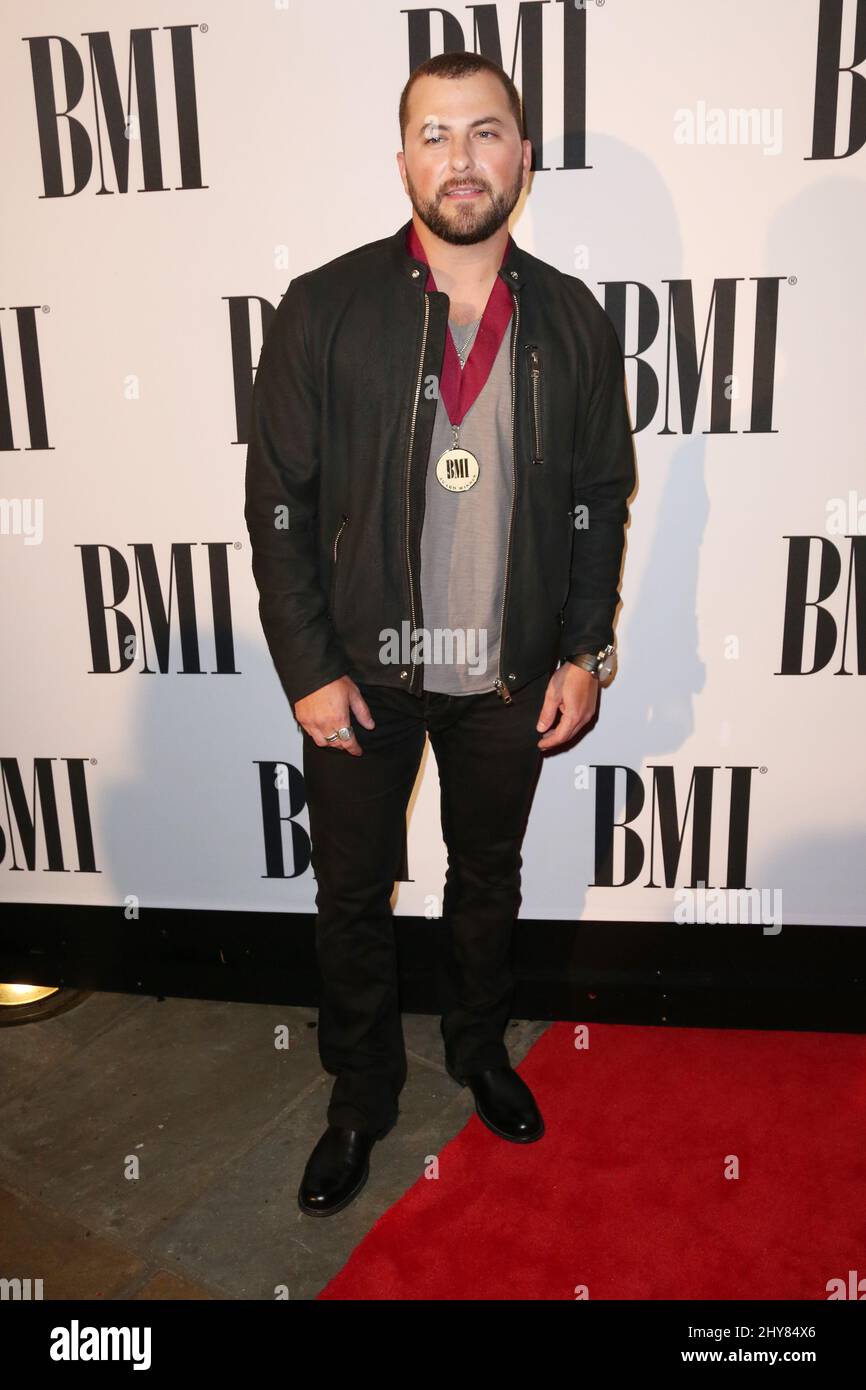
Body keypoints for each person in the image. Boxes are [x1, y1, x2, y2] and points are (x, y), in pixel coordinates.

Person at [244, 52, 636, 1217]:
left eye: (483, 133)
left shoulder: (569, 315)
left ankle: (475, 1049)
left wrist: (582, 649)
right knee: (353, 895)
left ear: (521, 154)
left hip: (508, 672)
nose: (459, 159)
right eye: (433, 134)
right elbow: (278, 504)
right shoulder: (326, 305)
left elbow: (598, 496)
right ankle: (359, 1094)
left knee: (488, 878)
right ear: (402, 155)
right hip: (363, 675)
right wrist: (308, 667)